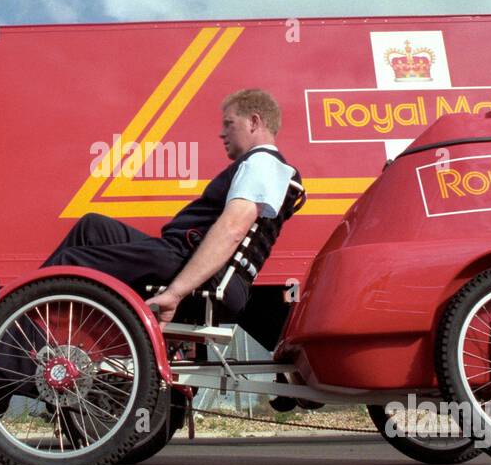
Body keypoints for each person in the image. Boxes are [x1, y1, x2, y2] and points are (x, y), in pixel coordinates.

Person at [42, 89, 300, 324]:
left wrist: (175, 293)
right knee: (93, 228)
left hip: (193, 264)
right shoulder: (261, 166)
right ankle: (33, 330)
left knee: (67, 265)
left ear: (254, 122)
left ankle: (13, 354)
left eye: (229, 124)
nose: (222, 133)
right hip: (183, 256)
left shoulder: (262, 163)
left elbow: (232, 229)